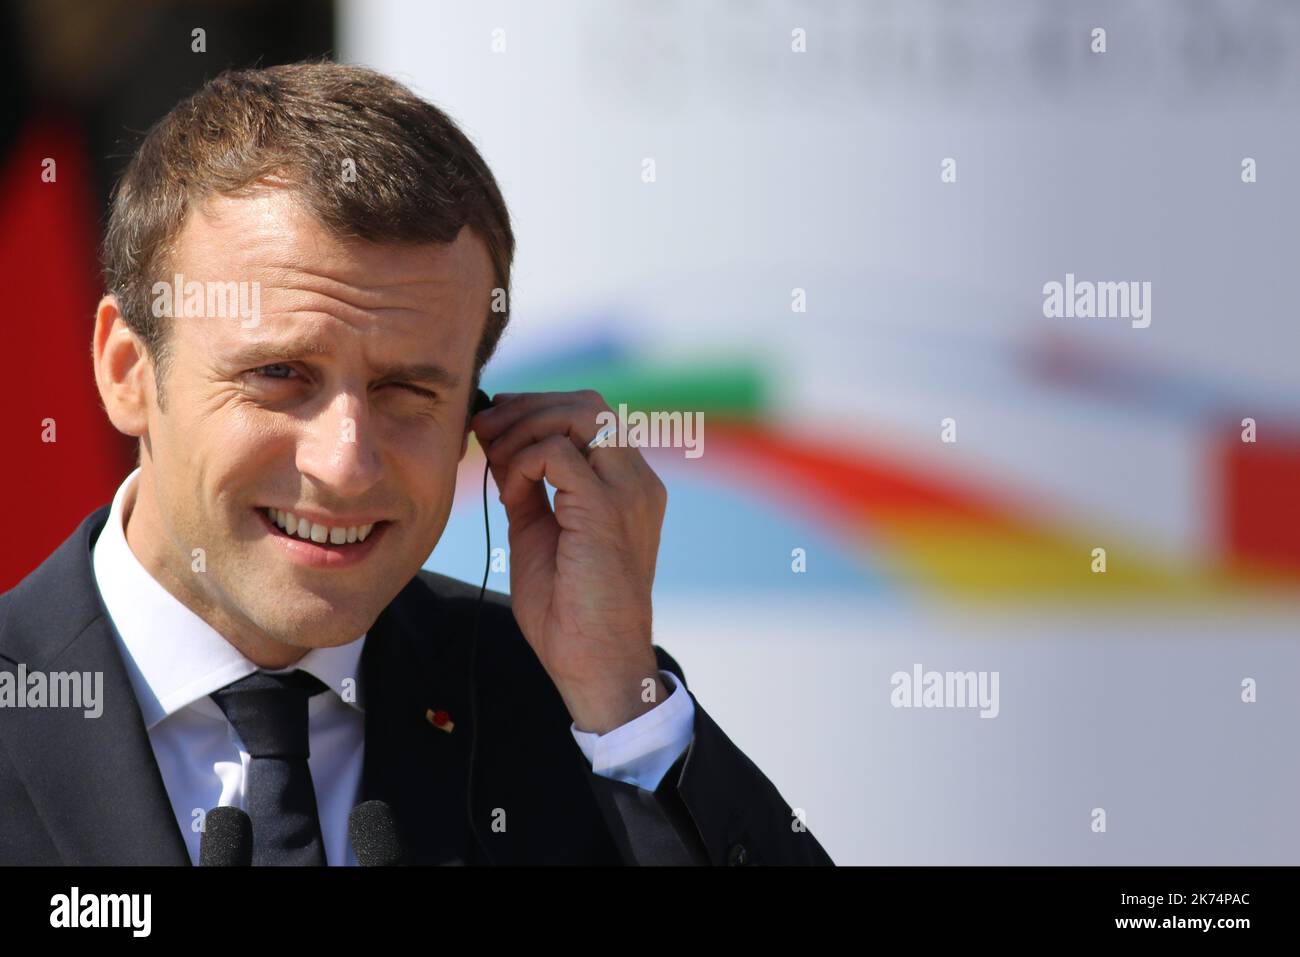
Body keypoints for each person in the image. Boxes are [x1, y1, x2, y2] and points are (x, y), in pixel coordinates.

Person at [0, 62, 832, 866]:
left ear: (481, 413)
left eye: (407, 390)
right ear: (127, 371)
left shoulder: (570, 711)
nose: (347, 463)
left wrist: (622, 703)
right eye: (280, 374)